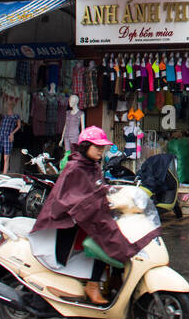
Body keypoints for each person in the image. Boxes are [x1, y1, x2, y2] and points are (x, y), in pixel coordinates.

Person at [31, 126, 158, 306]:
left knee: (120, 234)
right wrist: (94, 203)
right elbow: (70, 199)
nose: (101, 150)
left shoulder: (92, 165)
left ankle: (114, 278)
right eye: (97, 146)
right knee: (106, 238)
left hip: (88, 216)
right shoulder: (74, 167)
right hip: (70, 223)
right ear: (85, 146)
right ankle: (93, 284)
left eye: (102, 147)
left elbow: (98, 189)